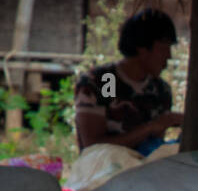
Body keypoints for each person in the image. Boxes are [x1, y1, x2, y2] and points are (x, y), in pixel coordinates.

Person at [74, 8, 184, 155]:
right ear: (142, 48)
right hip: (102, 174)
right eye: (164, 49)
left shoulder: (159, 90)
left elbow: (153, 147)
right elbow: (93, 146)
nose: (169, 56)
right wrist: (150, 127)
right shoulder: (106, 81)